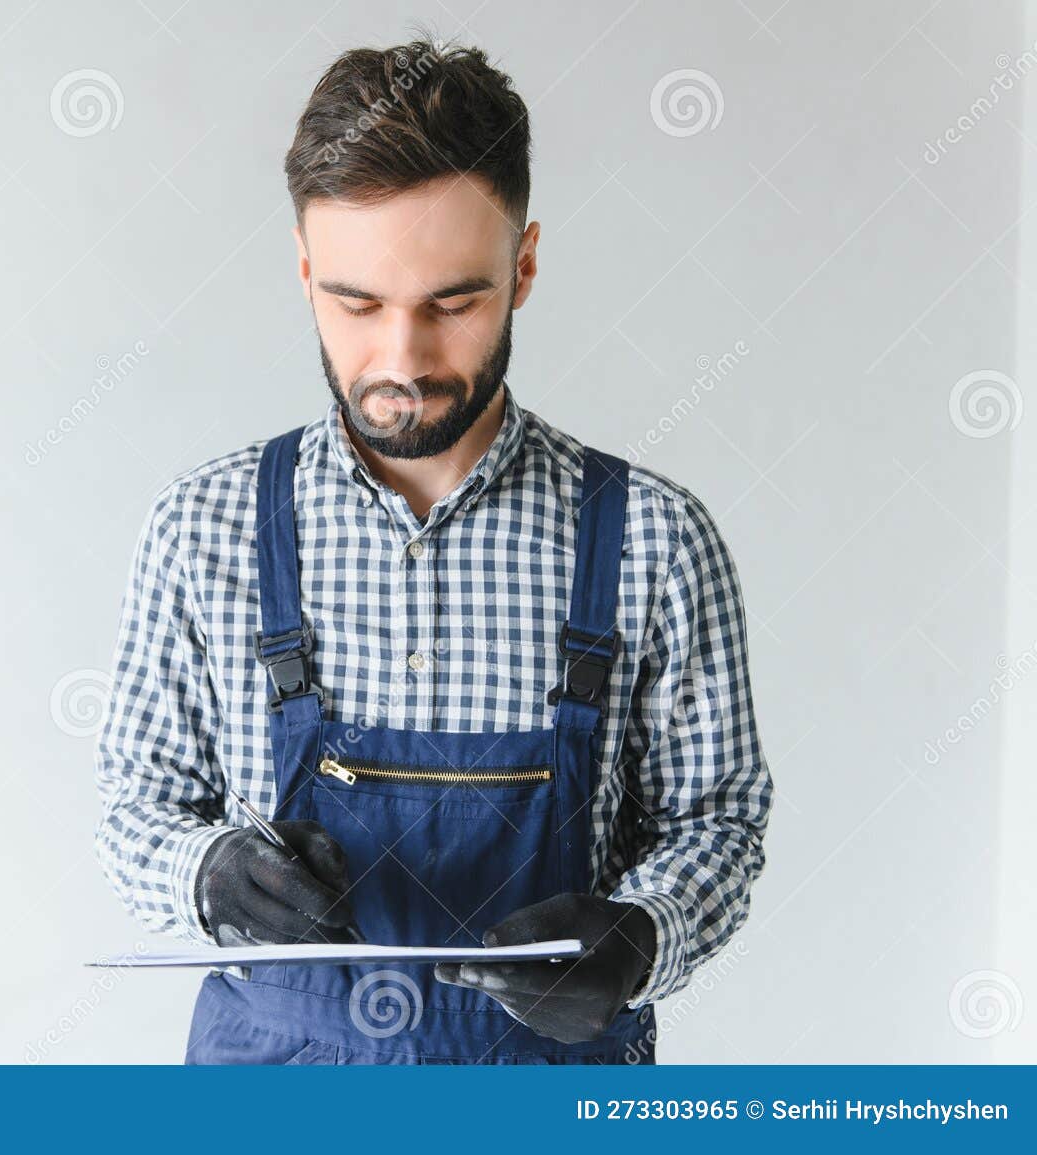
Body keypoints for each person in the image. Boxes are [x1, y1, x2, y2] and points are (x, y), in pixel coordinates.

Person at [93, 34, 772, 1065]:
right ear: (305, 268)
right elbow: (135, 807)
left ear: (524, 265)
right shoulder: (203, 528)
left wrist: (643, 936)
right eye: (355, 304)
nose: (399, 361)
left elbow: (716, 821)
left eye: (452, 302)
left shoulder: (654, 540)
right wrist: (208, 872)